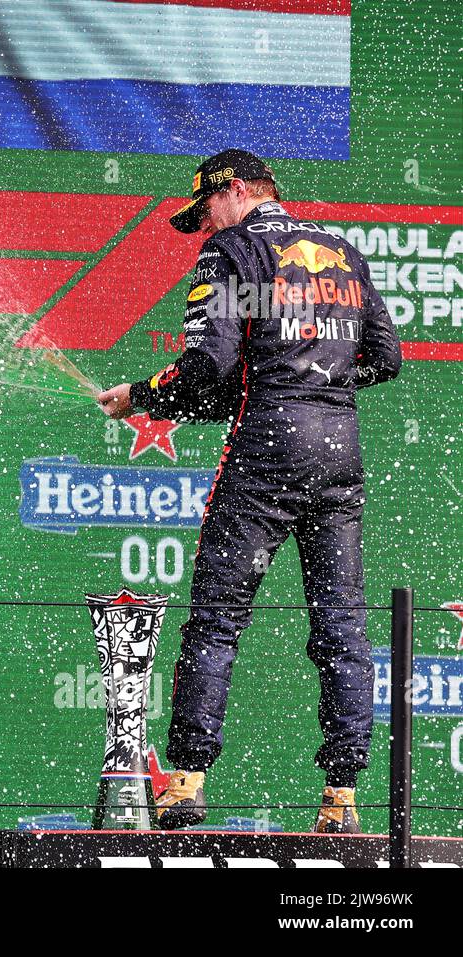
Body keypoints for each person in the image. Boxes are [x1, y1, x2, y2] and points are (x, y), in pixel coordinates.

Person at [98, 149, 403, 834]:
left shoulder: (233, 251)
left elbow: (213, 362)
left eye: (205, 210)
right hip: (340, 451)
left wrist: (146, 396)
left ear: (234, 192)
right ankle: (342, 799)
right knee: (343, 625)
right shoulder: (341, 249)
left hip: (266, 449)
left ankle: (185, 785)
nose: (204, 226)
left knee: (216, 617)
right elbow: (385, 357)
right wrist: (314, 385)